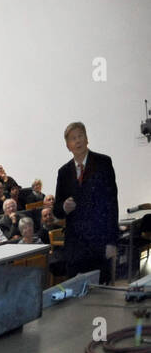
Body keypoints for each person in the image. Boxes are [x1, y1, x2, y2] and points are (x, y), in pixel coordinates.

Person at [54, 121, 119, 283]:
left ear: (87, 139)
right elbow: (57, 211)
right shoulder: (63, 172)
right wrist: (64, 207)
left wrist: (112, 242)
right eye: (73, 139)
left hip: (100, 243)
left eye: (80, 136)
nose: (77, 141)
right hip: (75, 248)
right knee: (75, 299)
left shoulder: (103, 163)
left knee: (102, 296)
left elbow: (112, 204)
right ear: (68, 146)